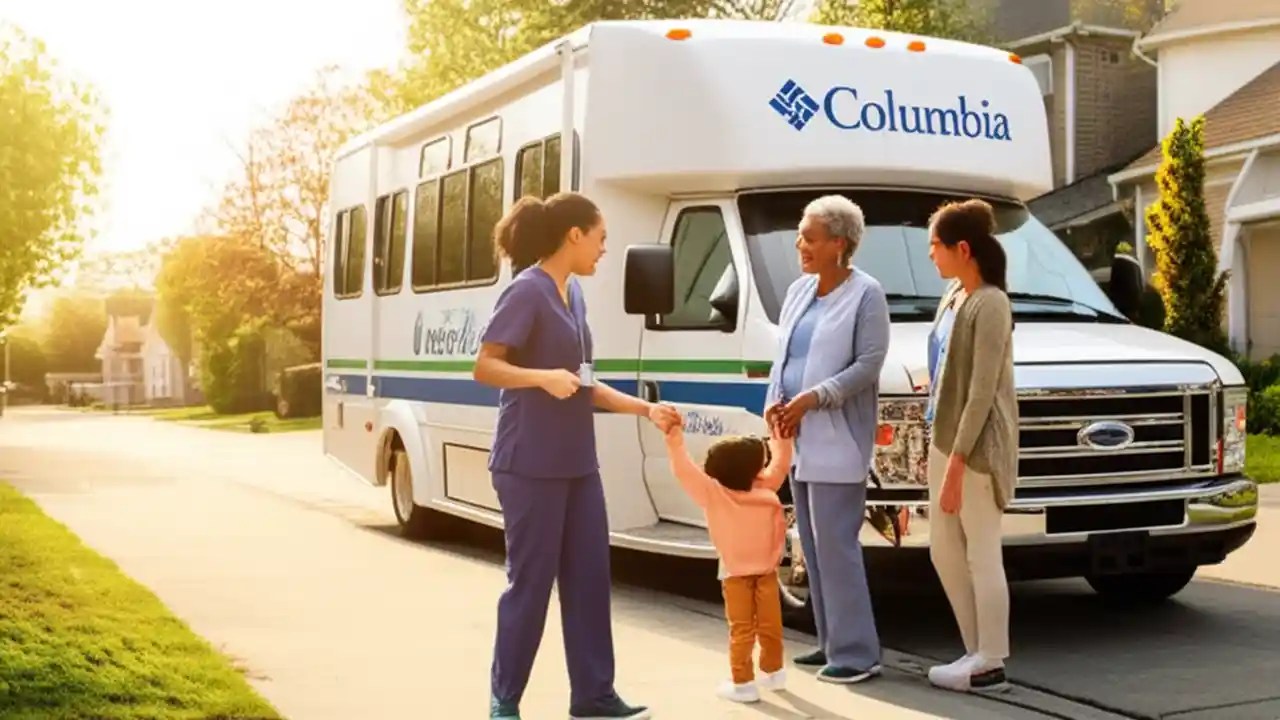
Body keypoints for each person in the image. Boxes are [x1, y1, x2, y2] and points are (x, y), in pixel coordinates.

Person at [473, 191, 680, 720]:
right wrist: (540, 377)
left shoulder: (575, 296)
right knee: (532, 585)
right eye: (601, 238)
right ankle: (505, 699)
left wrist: (645, 410)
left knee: (589, 582)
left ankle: (593, 696)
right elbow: (486, 366)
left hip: (578, 465)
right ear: (574, 235)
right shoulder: (526, 291)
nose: (604, 249)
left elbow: (584, 383)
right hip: (528, 463)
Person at [763, 194, 890, 684]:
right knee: (811, 548)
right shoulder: (799, 290)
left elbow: (868, 365)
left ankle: (859, 653)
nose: (801, 245)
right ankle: (830, 641)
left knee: (837, 546)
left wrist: (814, 398)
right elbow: (785, 356)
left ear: (840, 243)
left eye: (810, 238)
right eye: (801, 236)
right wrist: (778, 402)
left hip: (838, 439)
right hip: (795, 436)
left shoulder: (866, 294)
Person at [922, 198, 1019, 694]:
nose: (931, 256)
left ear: (963, 248)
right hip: (944, 437)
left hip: (977, 447)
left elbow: (982, 392)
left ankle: (991, 659)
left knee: (981, 550)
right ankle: (975, 650)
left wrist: (958, 462)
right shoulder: (953, 297)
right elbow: (948, 372)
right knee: (943, 549)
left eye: (935, 246)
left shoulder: (991, 303)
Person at [662, 419, 795, 704]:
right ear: (754, 469)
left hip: (735, 574)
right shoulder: (765, 488)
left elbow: (684, 471)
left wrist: (675, 440)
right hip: (768, 571)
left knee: (741, 628)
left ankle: (742, 683)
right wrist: (780, 439)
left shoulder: (713, 493)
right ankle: (774, 672)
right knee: (771, 624)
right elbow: (781, 464)